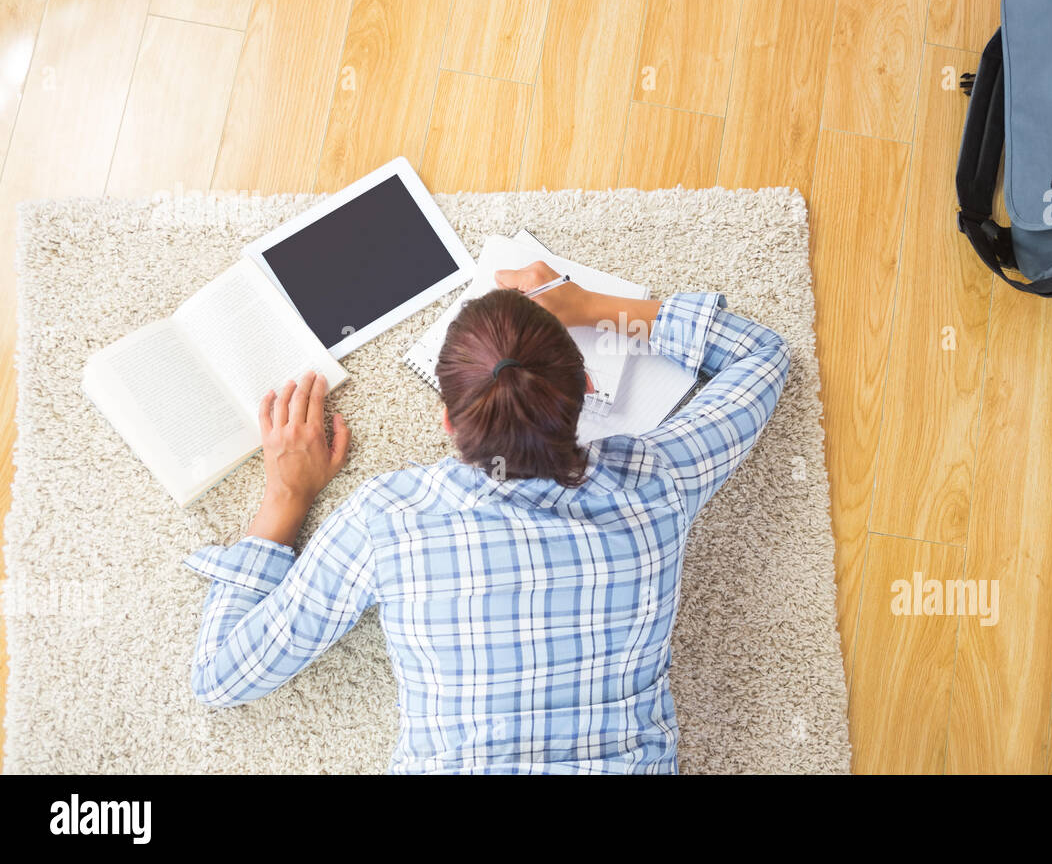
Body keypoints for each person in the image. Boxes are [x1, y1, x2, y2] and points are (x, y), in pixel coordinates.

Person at [183, 261, 791, 773]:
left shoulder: (390, 519)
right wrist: (588, 305)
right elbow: (761, 357)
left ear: (449, 422)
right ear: (586, 387)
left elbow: (222, 677)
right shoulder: (655, 482)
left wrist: (285, 496)